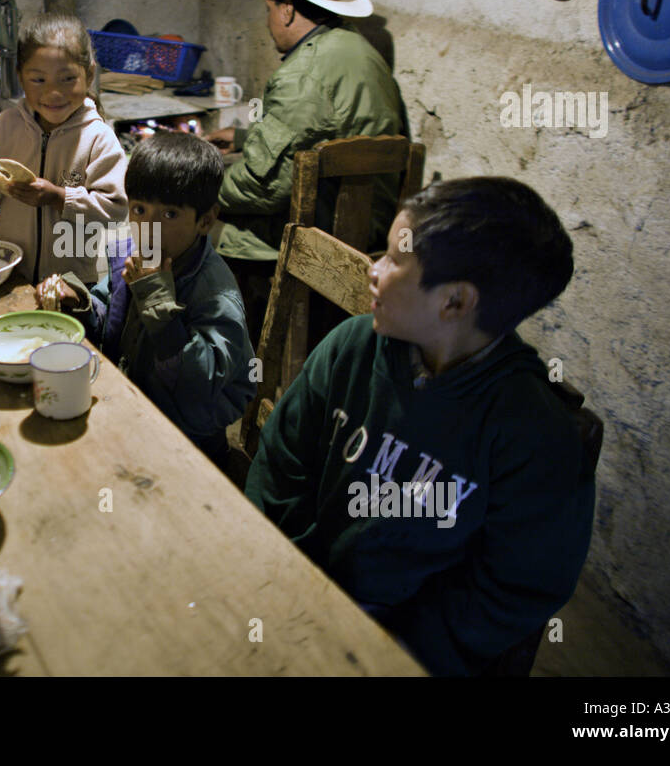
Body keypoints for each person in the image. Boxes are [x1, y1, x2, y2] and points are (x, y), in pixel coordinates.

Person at [244, 177, 595, 676]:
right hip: (294, 592)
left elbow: (513, 591)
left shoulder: (533, 434)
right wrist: (288, 578)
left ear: (453, 302)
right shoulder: (352, 346)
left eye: (392, 259)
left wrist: (384, 642)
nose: (373, 268)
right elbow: (281, 467)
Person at [207, 0, 407, 342]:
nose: (268, 23)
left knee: (221, 231)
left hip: (330, 232)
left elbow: (264, 188)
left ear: (288, 9)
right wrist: (245, 138)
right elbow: (323, 131)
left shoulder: (303, 72)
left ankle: (245, 359)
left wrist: (202, 192)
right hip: (371, 225)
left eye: (268, 11)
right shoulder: (358, 51)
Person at [36, 132, 255, 467]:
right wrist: (77, 301)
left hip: (187, 445)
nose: (149, 226)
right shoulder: (132, 255)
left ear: (206, 221)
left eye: (169, 215)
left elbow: (201, 384)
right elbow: (108, 317)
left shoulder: (214, 292)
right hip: (131, 411)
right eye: (139, 209)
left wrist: (158, 302)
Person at [0, 13, 127, 285]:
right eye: (38, 80)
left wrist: (59, 197)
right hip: (10, 269)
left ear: (89, 74)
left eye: (67, 79)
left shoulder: (100, 139)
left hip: (72, 280)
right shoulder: (4, 126)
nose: (53, 93)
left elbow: (115, 211)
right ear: (20, 77)